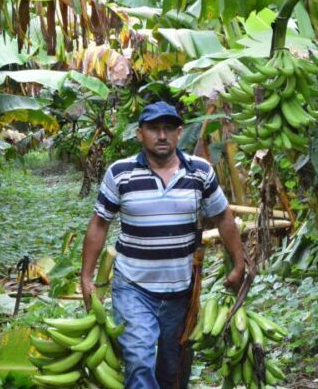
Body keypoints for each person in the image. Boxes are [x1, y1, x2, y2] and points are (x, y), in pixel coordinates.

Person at [80, 101, 245, 389]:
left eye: (168, 128)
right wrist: (86, 276)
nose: (161, 135)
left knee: (174, 368)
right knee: (140, 361)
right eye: (154, 128)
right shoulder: (121, 173)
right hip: (133, 286)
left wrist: (239, 263)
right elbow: (99, 224)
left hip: (181, 290)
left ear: (179, 133)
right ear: (139, 133)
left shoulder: (199, 172)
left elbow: (223, 216)